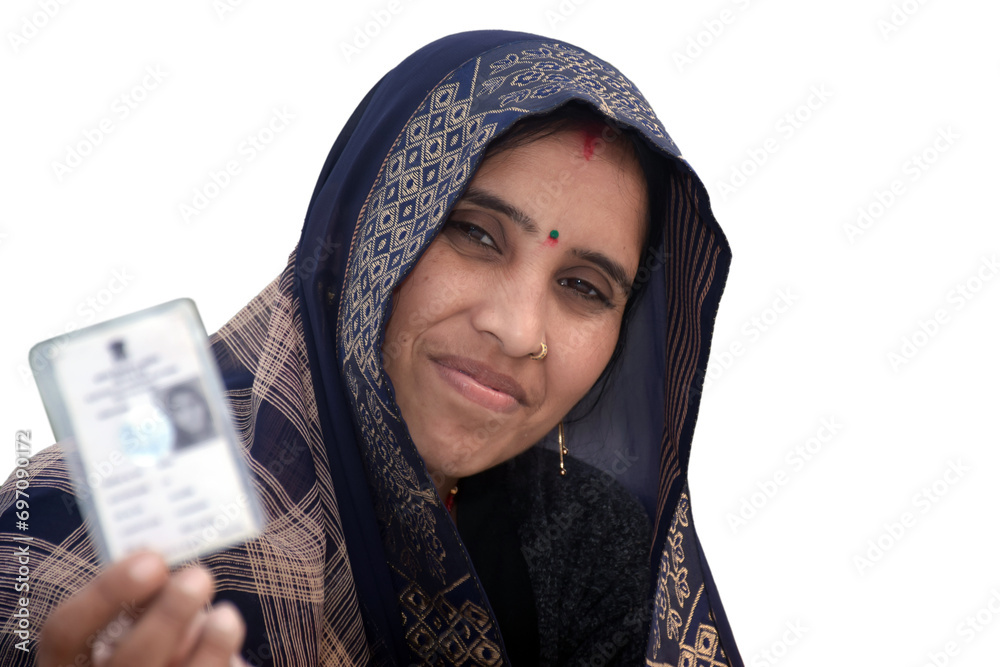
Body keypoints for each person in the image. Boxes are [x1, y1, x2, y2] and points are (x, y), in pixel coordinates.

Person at [0, 31, 742, 666]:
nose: (518, 330)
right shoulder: (72, 527)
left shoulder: (591, 545)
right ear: (363, 231)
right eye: (476, 234)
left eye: (584, 286)